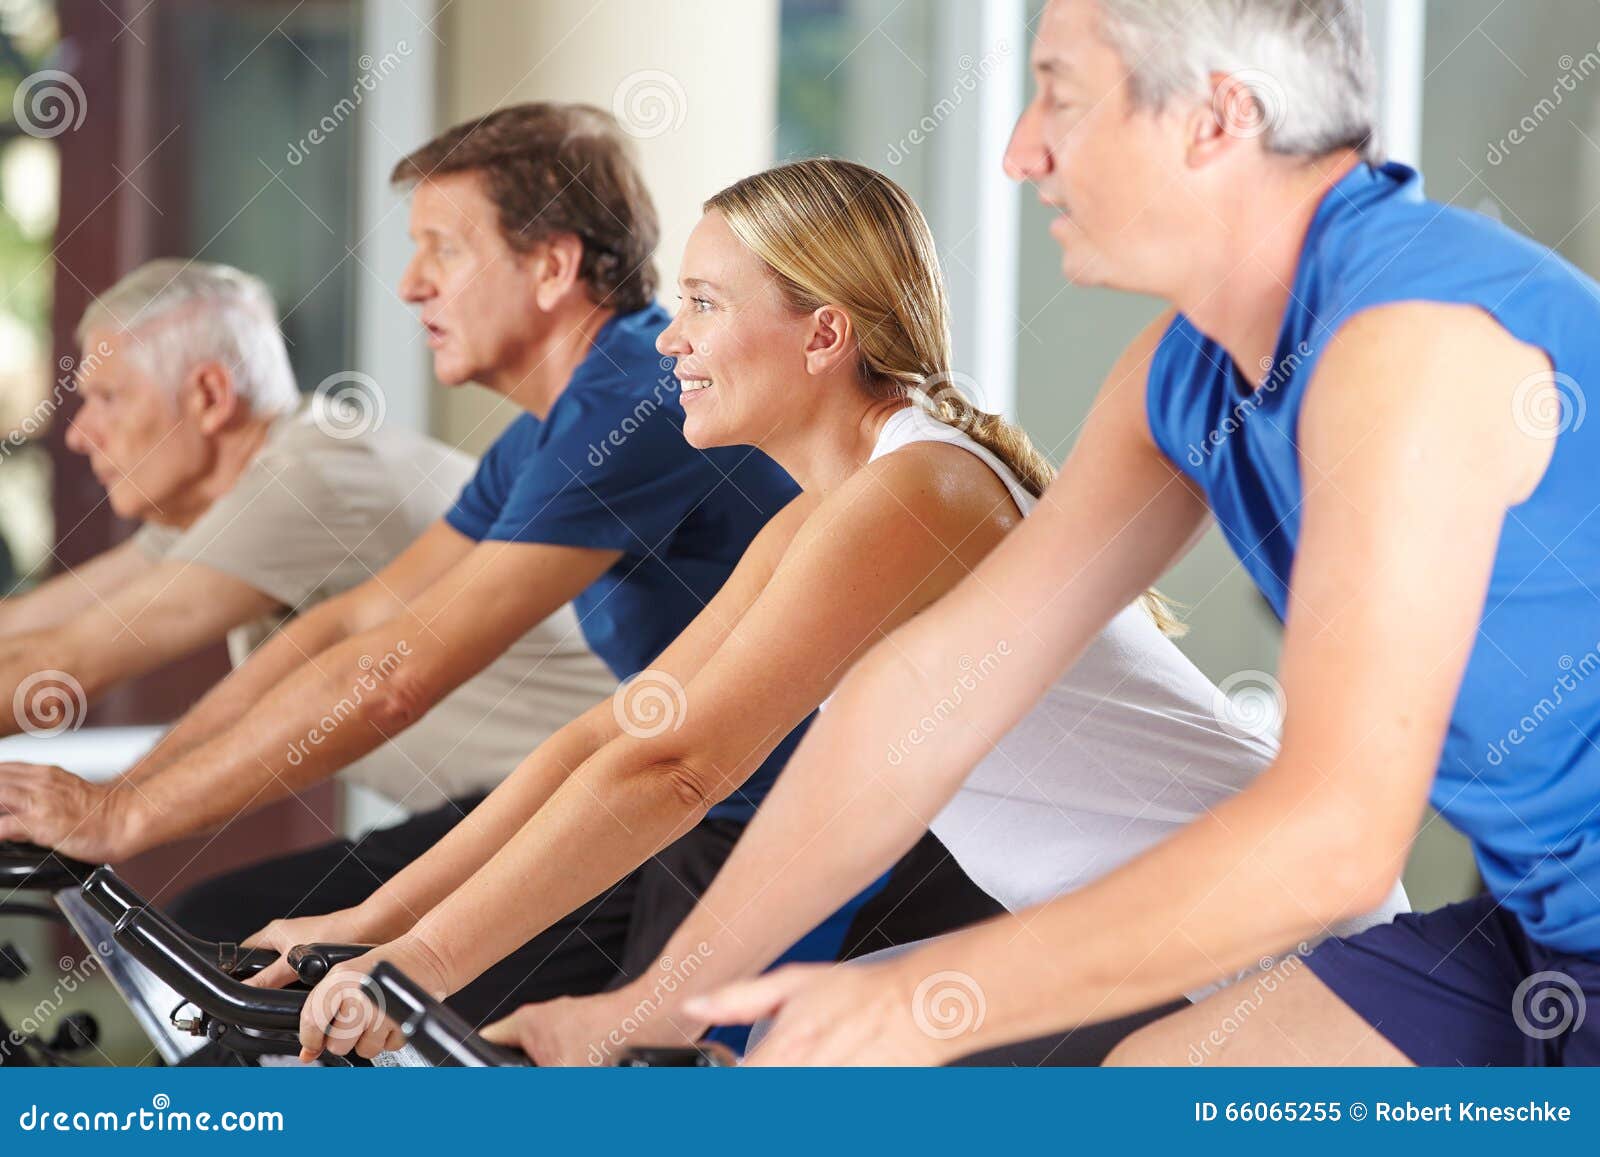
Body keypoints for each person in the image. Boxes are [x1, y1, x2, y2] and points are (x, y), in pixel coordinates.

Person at [273, 157, 1395, 1065]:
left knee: (794, 1061)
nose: (671, 338)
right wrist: (372, 929)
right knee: (784, 1049)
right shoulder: (831, 510)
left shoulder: (921, 491)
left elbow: (682, 769)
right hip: (1147, 947)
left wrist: (422, 963)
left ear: (823, 336)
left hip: (1266, 960)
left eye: (705, 305)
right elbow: (615, 735)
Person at [665, 0, 1600, 1068]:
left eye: (1059, 92)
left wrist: (927, 998)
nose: (1022, 151)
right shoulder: (1188, 369)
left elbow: (1337, 838)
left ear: (1216, 117)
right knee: (1154, 1080)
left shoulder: (1409, 346)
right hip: (1541, 934)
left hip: (1531, 931)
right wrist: (667, 996)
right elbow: (931, 685)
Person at [0, 104, 805, 1027]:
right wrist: (121, 800)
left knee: (390, 1020)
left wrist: (124, 816)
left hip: (736, 812)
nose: (411, 284)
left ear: (553, 266)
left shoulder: (630, 404)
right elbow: (340, 629)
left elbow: (393, 676)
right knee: (250, 962)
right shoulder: (548, 432)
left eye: (444, 250)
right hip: (650, 790)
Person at [0, 258, 612, 818]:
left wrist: (115, 810)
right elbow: (33, 631)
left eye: (108, 397)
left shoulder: (307, 481)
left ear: (210, 395)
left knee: (218, 921)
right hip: (515, 809)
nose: (80, 435)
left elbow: (65, 664)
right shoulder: (234, 496)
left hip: (600, 806)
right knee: (214, 920)